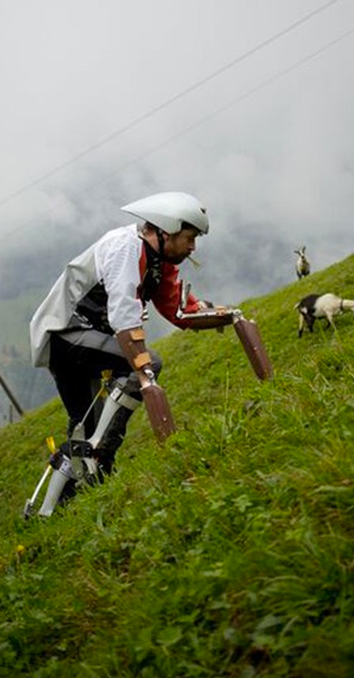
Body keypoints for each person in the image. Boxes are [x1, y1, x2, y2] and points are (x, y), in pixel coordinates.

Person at [28, 191, 219, 516]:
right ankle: (101, 450)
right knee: (145, 366)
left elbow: (177, 307)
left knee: (83, 431)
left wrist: (216, 315)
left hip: (84, 339)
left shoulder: (160, 260)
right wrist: (143, 365)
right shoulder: (125, 248)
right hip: (66, 335)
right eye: (189, 238)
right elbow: (123, 316)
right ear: (167, 230)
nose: (192, 248)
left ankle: (46, 516)